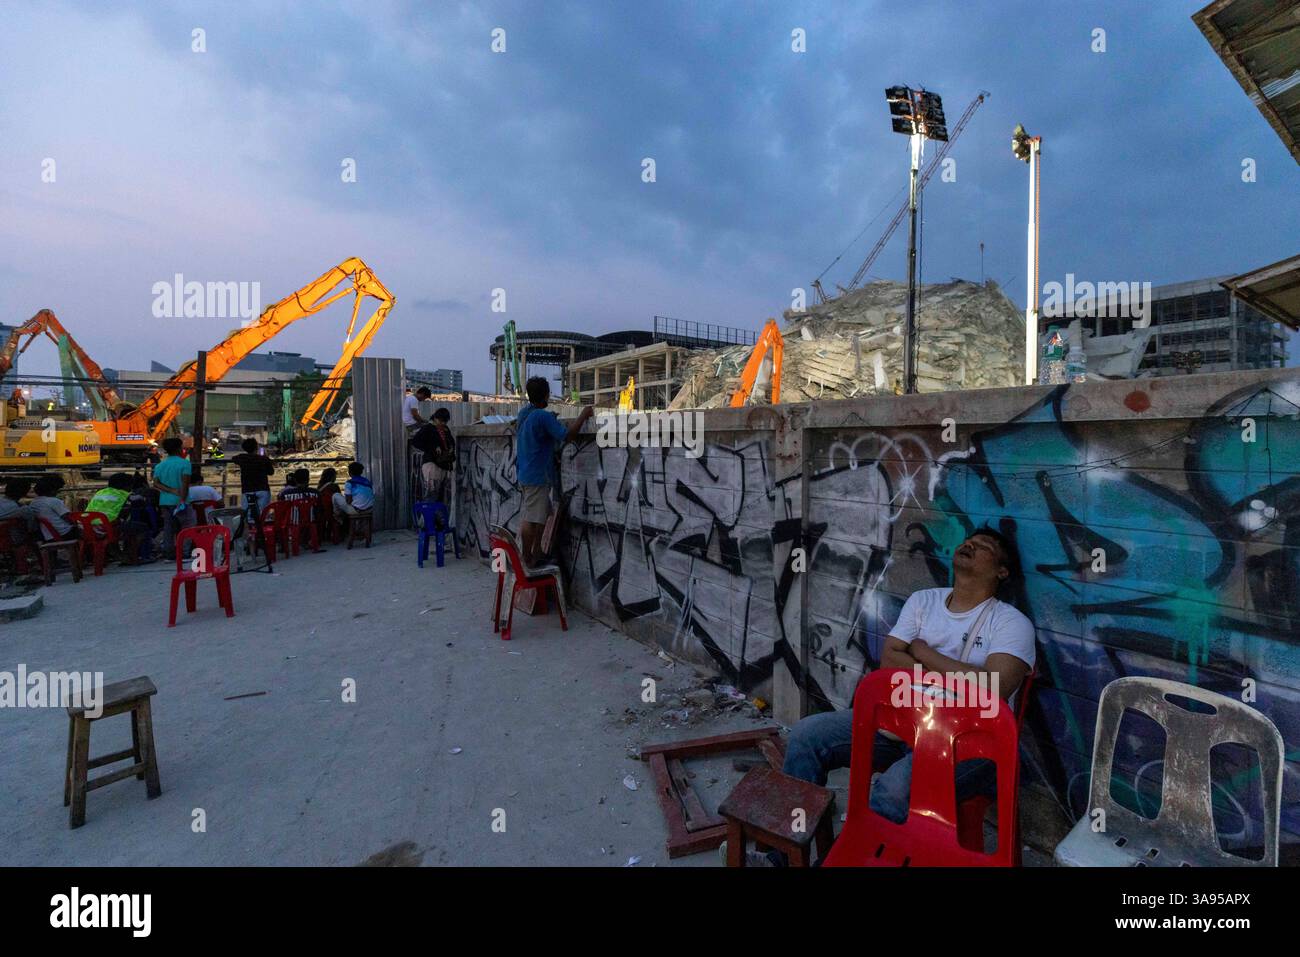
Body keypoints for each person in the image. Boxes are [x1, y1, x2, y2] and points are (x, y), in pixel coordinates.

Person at [777, 528, 1035, 862]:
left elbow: (992, 688)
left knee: (894, 788)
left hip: (969, 747)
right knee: (806, 735)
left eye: (984, 546)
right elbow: (889, 661)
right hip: (899, 728)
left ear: (1002, 571)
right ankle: (781, 857)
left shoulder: (1011, 623)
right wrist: (957, 675)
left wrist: (923, 652)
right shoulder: (923, 601)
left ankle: (851, 859)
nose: (970, 545)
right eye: (968, 541)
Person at [515, 376, 592, 566]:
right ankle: (527, 557)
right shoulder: (541, 416)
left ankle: (538, 550)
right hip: (537, 476)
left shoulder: (525, 414)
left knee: (541, 514)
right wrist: (583, 415)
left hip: (526, 473)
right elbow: (567, 435)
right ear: (546, 394)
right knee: (531, 518)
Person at [152, 436, 193, 557]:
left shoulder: (160, 465)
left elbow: (155, 483)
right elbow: (185, 483)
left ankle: (169, 554)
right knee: (186, 527)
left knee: (168, 528)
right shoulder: (184, 463)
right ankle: (184, 553)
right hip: (180, 502)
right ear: (178, 449)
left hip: (165, 501)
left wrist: (170, 490)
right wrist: (182, 499)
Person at [411, 407, 456, 504]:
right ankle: (429, 517)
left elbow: (450, 442)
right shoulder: (428, 428)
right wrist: (431, 449)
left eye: (445, 421)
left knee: (442, 494)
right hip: (432, 463)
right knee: (432, 493)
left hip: (444, 464)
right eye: (441, 421)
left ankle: (437, 516)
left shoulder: (445, 429)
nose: (443, 423)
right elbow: (415, 442)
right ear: (436, 418)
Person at [232, 437, 275, 522]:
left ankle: (251, 532)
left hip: (247, 490)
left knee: (247, 517)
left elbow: (234, 458)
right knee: (263, 515)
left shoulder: (242, 458)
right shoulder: (264, 459)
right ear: (256, 447)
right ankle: (261, 532)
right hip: (263, 489)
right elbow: (271, 472)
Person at [31, 474, 80, 542]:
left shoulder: (34, 503)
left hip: (48, 535)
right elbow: (68, 517)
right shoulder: (54, 501)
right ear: (53, 490)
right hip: (64, 533)